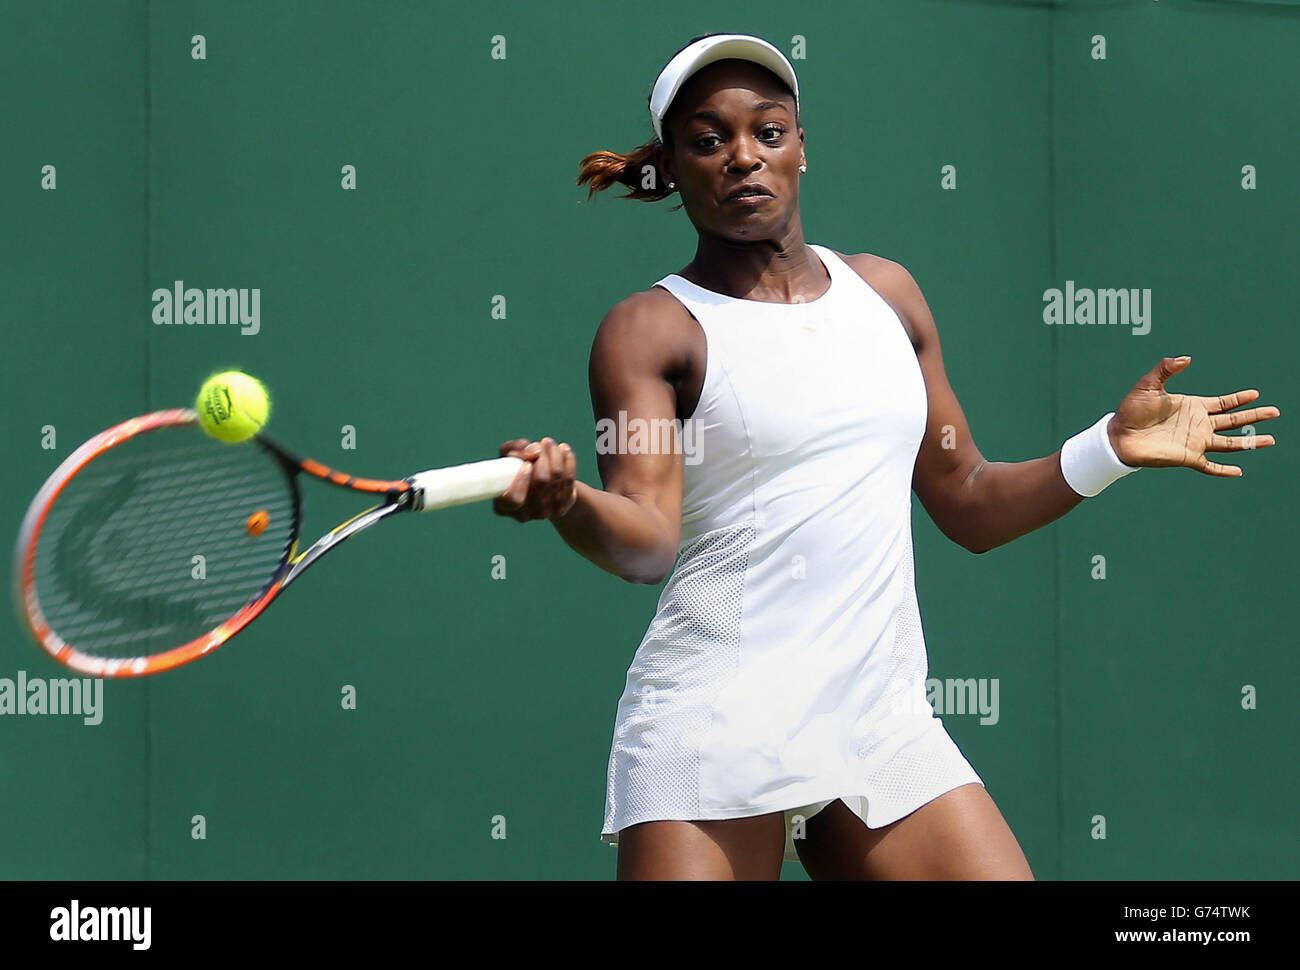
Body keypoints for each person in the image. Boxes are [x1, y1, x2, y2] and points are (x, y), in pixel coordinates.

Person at [492, 33, 1280, 880]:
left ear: (801, 148)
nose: (744, 157)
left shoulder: (887, 296)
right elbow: (646, 540)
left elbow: (967, 498)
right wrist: (568, 501)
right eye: (709, 140)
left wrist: (1109, 447)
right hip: (715, 716)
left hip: (877, 718)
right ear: (674, 169)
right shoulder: (648, 330)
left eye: (768, 131)